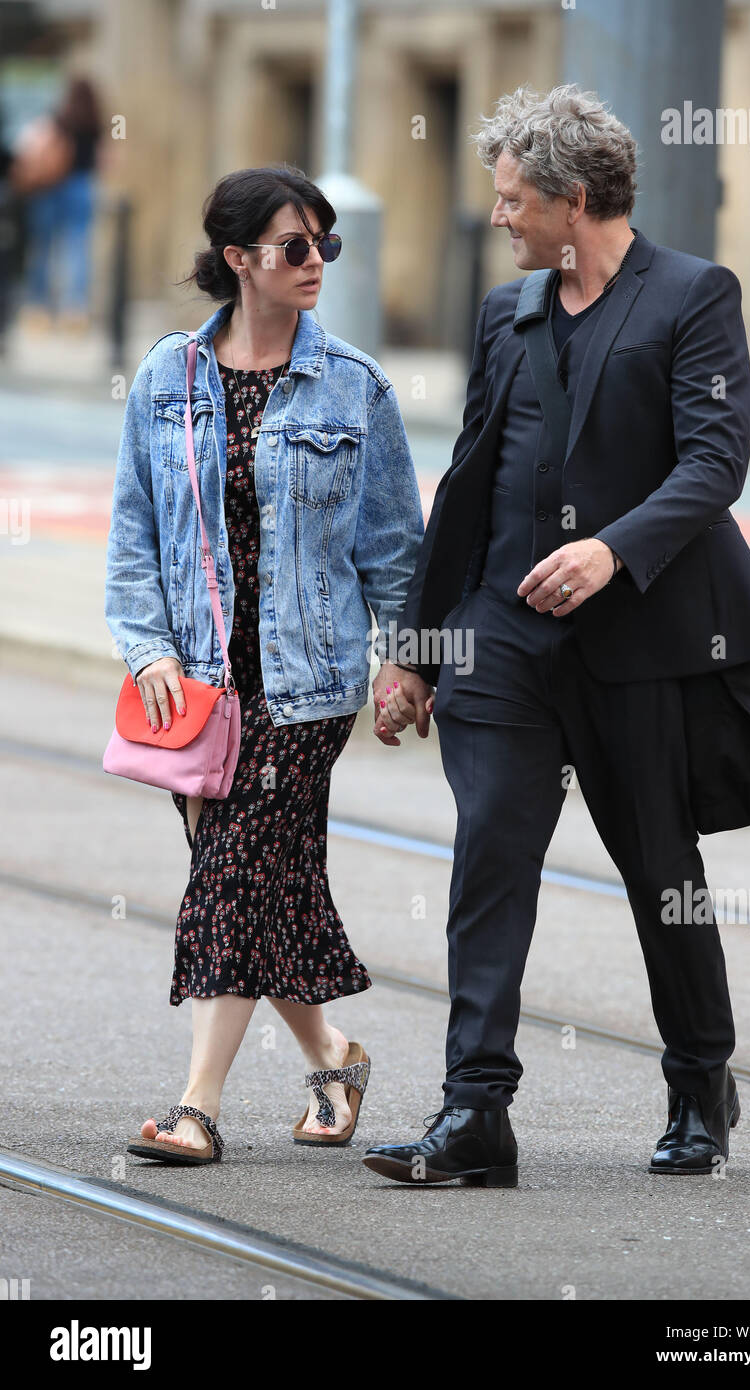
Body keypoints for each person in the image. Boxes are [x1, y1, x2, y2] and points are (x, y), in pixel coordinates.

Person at [363, 83, 750, 1186]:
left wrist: (611, 549)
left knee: (662, 873)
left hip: (642, 642)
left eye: (514, 199)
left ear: (570, 199)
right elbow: (467, 484)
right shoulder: (506, 316)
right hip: (503, 640)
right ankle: (475, 1114)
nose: (499, 216)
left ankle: (700, 1078)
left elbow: (713, 462)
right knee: (489, 859)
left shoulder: (693, 296)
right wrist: (418, 647)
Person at [105, 164, 426, 1163]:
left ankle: (196, 1108)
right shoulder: (167, 379)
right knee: (265, 886)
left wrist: (403, 663)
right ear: (238, 260)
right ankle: (335, 1057)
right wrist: (149, 647)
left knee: (234, 876)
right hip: (198, 690)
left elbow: (394, 547)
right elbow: (134, 536)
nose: (316, 262)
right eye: (295, 247)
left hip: (306, 683)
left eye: (325, 244)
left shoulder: (353, 386)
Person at [13, 77, 104, 332]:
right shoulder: (95, 121)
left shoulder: (60, 117)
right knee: (78, 248)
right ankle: (75, 312)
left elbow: (37, 144)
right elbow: (105, 159)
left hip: (51, 187)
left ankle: (37, 310)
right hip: (82, 187)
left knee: (43, 247)